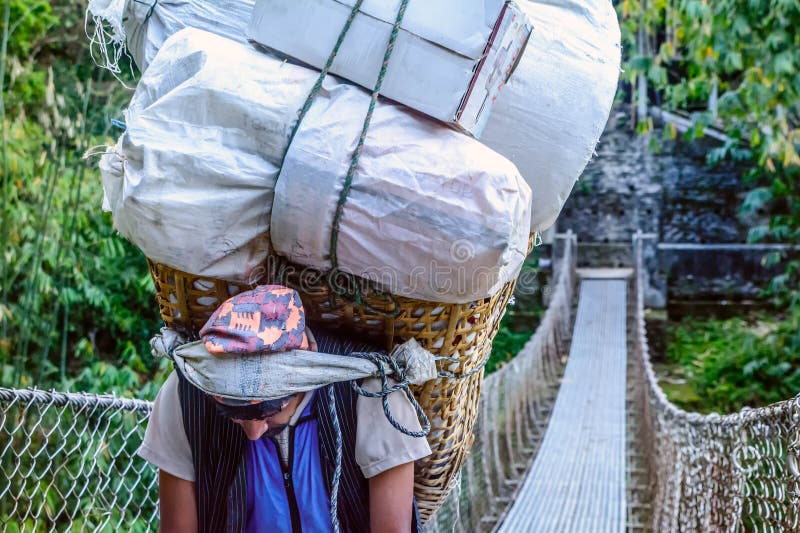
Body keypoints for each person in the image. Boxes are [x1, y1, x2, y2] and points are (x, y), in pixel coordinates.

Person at [138, 285, 432, 533]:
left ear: (305, 379)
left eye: (266, 413)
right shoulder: (185, 394)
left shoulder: (370, 391)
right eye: (235, 416)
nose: (253, 434)